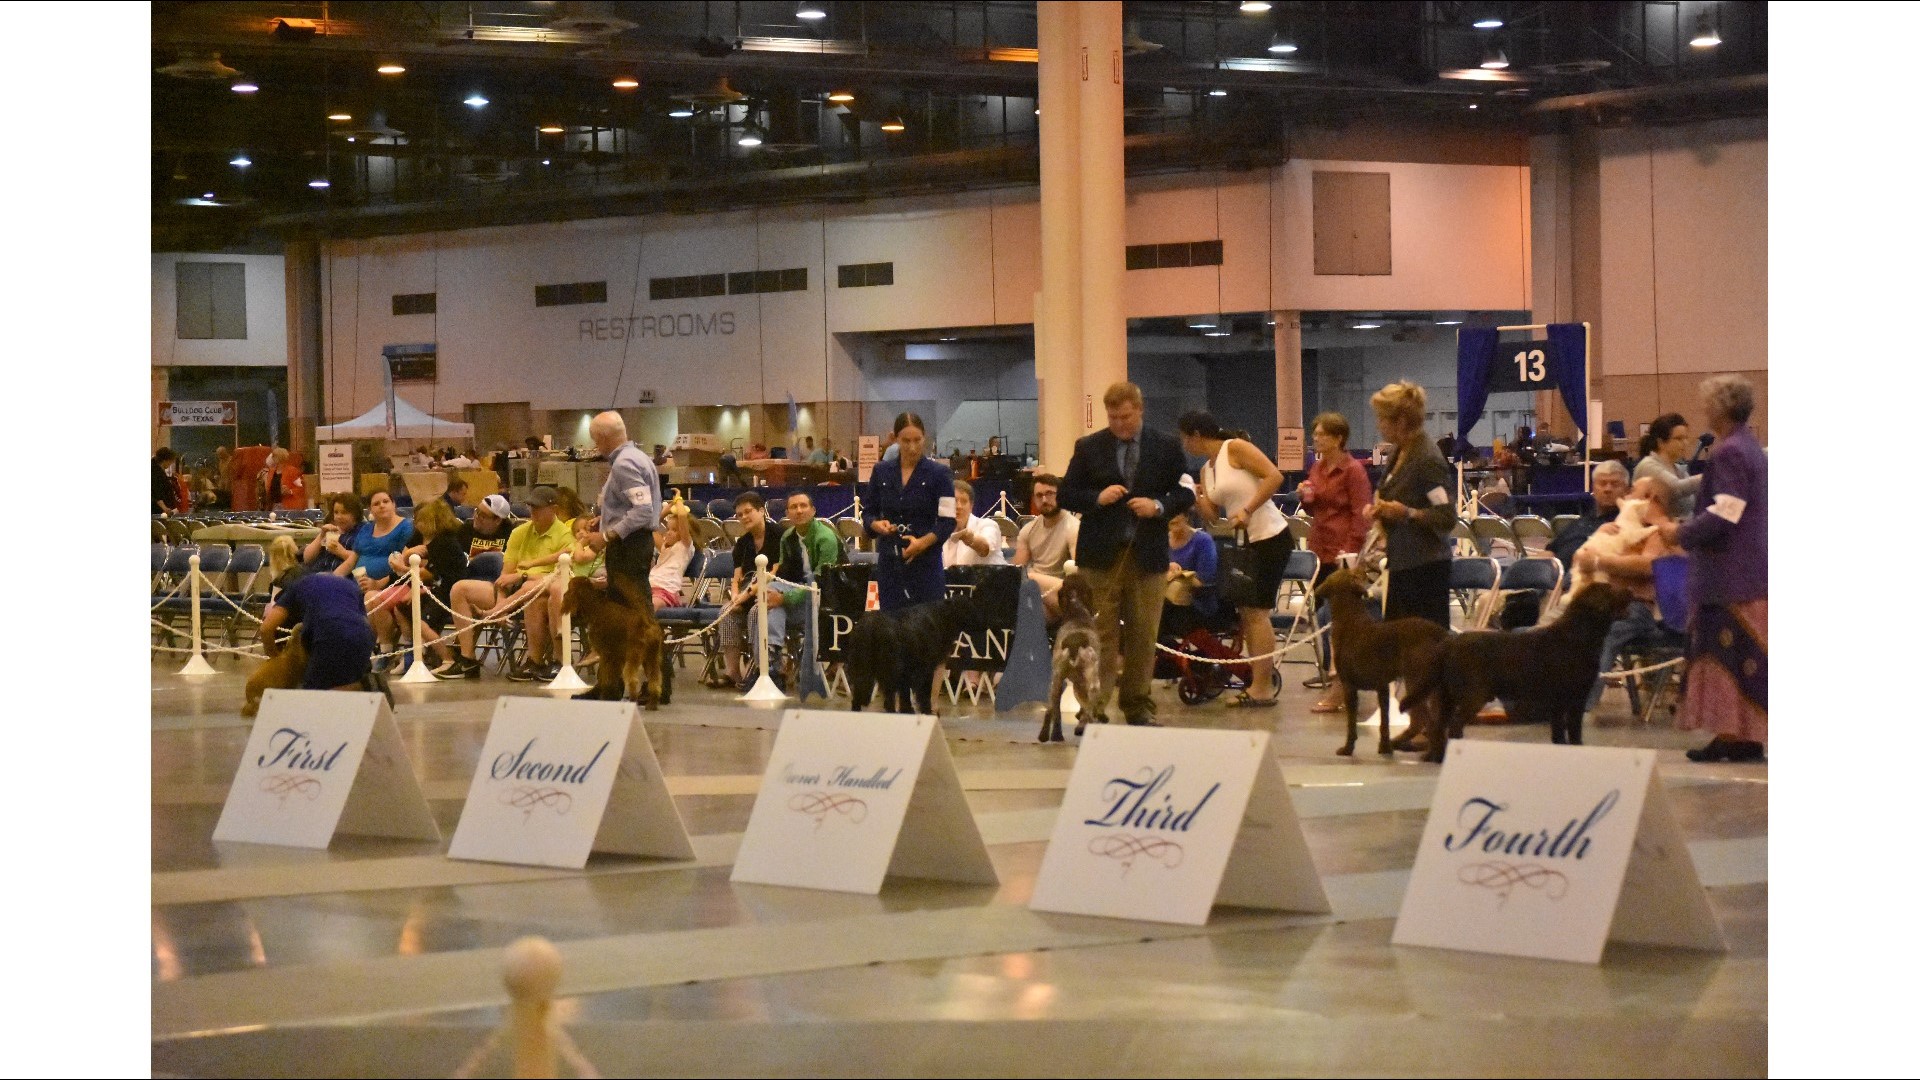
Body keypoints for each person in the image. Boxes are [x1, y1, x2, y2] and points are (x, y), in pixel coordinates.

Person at [1060, 382, 1196, 728]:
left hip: (1147, 557)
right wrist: (1096, 498)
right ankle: (1093, 706)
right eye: (1113, 417)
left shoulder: (1165, 447)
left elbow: (1186, 492)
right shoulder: (1089, 447)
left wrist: (1158, 505)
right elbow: (1065, 494)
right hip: (1100, 559)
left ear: (1140, 409)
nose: (1120, 423)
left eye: (1126, 416)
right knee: (1098, 636)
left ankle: (1137, 705)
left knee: (1143, 634)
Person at [1656, 375, 1767, 763]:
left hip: (1729, 575)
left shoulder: (1729, 452)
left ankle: (1733, 735)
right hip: (1750, 571)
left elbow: (1726, 511)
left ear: (1719, 409)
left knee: (1726, 656)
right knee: (1746, 658)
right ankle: (1742, 736)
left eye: (1707, 405)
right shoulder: (1750, 447)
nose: (1704, 411)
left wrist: (1680, 533)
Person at [1365, 381, 1454, 750]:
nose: (1379, 426)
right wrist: (1381, 512)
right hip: (1403, 564)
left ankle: (1441, 731)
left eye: (1383, 419)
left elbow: (1446, 515)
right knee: (1405, 654)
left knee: (1428, 655)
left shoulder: (1428, 458)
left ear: (1400, 419)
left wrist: (1407, 513)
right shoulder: (1399, 452)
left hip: (1426, 569)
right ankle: (1419, 723)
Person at [1179, 411, 1287, 707]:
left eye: (1184, 437)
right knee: (1247, 614)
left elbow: (1275, 476)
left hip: (1269, 536)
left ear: (1197, 435)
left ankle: (1262, 687)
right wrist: (1196, 496)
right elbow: (1213, 518)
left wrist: (1249, 509)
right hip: (1244, 542)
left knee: (1257, 612)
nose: (1184, 444)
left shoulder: (1235, 448)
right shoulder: (1206, 470)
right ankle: (1258, 681)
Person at [1573, 472, 1677, 715]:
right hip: (1602, 599)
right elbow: (1580, 556)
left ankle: (1581, 703)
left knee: (1604, 631)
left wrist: (1599, 561)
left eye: (1634, 493)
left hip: (1636, 607)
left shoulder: (1660, 533)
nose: (1627, 497)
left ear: (1652, 500)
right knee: (1562, 626)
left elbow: (1647, 565)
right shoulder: (1618, 527)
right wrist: (1598, 540)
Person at [1296, 412, 1373, 713]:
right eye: (1315, 433)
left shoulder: (1353, 471)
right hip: (1319, 548)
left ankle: (1344, 679)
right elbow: (1314, 507)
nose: (1316, 438)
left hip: (1343, 553)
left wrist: (1350, 552)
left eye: (1322, 434)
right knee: (1323, 616)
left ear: (1339, 438)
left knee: (1339, 619)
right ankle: (1332, 672)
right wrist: (1306, 497)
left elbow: (1361, 513)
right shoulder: (1316, 467)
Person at [861, 411, 956, 611]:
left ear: (924, 438)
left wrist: (922, 543)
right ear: (895, 439)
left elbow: (948, 522)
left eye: (917, 440)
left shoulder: (939, 474)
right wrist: (876, 524)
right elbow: (868, 512)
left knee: (928, 626)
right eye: (905, 441)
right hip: (890, 564)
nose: (912, 447)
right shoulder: (881, 471)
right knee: (893, 628)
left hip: (927, 566)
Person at [582, 411, 663, 600]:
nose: (596, 446)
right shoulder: (639, 457)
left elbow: (643, 511)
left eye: (595, 440)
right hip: (636, 544)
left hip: (628, 548)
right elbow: (634, 506)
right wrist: (607, 519)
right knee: (637, 609)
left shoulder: (624, 464)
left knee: (631, 612)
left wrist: (606, 535)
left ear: (603, 437)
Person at [257, 569, 378, 692]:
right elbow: (368, 624)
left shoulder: (299, 586)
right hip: (362, 635)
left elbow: (266, 629)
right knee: (346, 686)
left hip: (329, 632)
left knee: (313, 695)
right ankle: (366, 685)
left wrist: (274, 658)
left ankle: (367, 687)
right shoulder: (350, 585)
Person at [718, 491, 786, 688]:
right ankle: (732, 671)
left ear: (761, 511)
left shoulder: (779, 535)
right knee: (727, 611)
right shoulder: (742, 543)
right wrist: (735, 596)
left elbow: (772, 573)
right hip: (747, 594)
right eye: (739, 515)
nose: (744, 517)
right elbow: (737, 577)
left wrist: (747, 595)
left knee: (758, 610)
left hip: (774, 593)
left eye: (748, 512)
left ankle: (761, 667)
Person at [351, 491, 420, 665]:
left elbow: (403, 565)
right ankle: (379, 648)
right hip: (362, 582)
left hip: (394, 581)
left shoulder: (406, 528)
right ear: (370, 509)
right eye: (376, 503)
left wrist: (377, 583)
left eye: (386, 501)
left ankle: (380, 649)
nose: (381, 505)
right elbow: (352, 557)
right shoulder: (366, 529)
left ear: (394, 504)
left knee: (371, 598)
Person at [1012, 473, 1080, 619]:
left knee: (1028, 577)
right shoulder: (1028, 530)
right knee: (1023, 614)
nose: (1044, 499)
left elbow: (1077, 576)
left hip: (1062, 593)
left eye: (1050, 494)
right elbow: (1017, 570)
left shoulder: (1074, 528)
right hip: (1036, 594)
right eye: (1039, 495)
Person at [1547, 459, 1630, 570]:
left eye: (1615, 484)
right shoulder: (1580, 522)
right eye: (1602, 483)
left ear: (1627, 490)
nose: (1608, 489)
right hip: (1550, 578)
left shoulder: (1625, 525)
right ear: (1593, 489)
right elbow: (1551, 551)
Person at [1160, 510, 1218, 640]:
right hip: (1165, 599)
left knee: (1151, 613)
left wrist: (1178, 574)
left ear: (1186, 516)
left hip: (1197, 604)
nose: (1171, 518)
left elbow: (1203, 581)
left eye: (1176, 513)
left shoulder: (1203, 541)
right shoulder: (1162, 539)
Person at [1634, 412, 1702, 519]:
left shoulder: (1680, 469)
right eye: (1679, 439)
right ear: (1661, 442)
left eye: (1686, 438)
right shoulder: (1648, 465)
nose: (1685, 443)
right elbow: (1676, 488)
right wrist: (1710, 475)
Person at [943, 481, 1007, 568]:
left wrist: (970, 538)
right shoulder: (938, 531)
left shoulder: (988, 525)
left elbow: (985, 548)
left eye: (964, 501)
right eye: (954, 501)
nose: (959, 506)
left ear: (971, 506)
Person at [304, 494, 365, 577]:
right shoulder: (331, 530)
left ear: (355, 514)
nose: (339, 517)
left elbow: (362, 560)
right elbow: (307, 558)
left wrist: (341, 552)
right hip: (316, 574)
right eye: (336, 512)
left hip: (341, 580)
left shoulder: (363, 532)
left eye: (344, 512)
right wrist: (321, 535)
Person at [649, 505, 695, 610]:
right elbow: (651, 527)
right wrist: (667, 509)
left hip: (666, 591)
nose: (668, 532)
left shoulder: (685, 547)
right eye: (668, 529)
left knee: (650, 607)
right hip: (649, 588)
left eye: (674, 530)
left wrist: (678, 501)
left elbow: (682, 517)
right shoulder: (664, 547)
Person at [152, 448, 182, 514]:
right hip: (159, 510)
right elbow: (156, 492)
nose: (170, 464)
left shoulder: (157, 469)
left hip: (163, 508)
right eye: (170, 462)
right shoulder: (156, 472)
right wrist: (164, 507)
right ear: (166, 460)